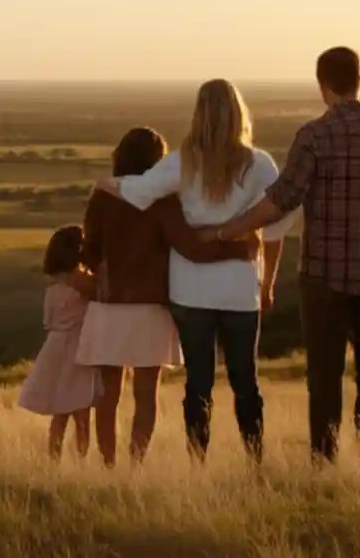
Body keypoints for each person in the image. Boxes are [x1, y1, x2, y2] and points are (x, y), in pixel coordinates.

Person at [202, 47, 360, 464]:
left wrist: (225, 230)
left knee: (324, 378)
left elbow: (279, 202)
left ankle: (325, 464)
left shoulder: (314, 137)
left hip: (324, 277)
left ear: (322, 85)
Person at [97, 80, 294, 463]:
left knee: (198, 383)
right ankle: (255, 461)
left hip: (189, 289)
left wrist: (104, 184)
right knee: (245, 380)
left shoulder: (182, 162)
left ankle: (197, 463)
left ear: (198, 114)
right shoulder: (259, 164)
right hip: (240, 288)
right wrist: (267, 283)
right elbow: (275, 229)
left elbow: (139, 190)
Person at [79, 126, 261, 467]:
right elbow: (190, 248)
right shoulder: (162, 201)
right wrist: (239, 250)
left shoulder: (104, 197)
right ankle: (135, 466)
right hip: (151, 308)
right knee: (146, 395)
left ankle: (107, 466)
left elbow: (89, 252)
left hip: (108, 306)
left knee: (108, 395)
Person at [17, 225, 101, 460]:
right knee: (82, 414)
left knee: (60, 414)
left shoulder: (53, 285)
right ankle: (80, 462)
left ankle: (53, 462)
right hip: (77, 350)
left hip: (55, 348)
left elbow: (49, 321)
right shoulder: (82, 282)